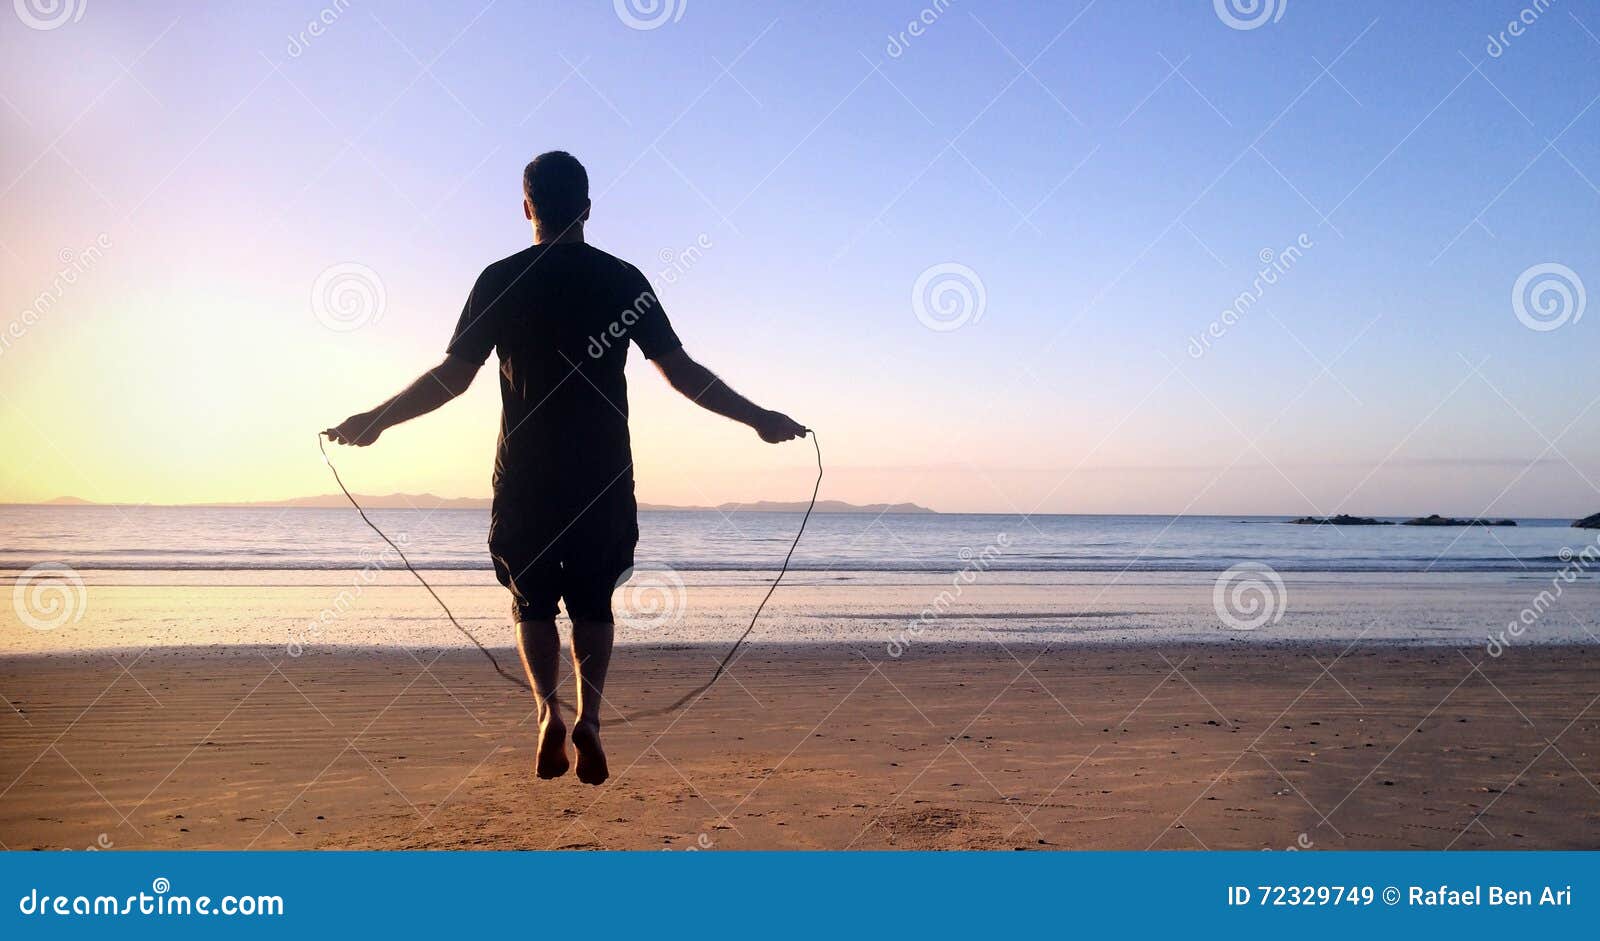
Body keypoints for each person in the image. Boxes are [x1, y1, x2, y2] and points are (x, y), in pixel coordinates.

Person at [326, 151, 805, 785]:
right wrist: (758, 417)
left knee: (531, 602)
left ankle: (547, 711)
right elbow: (682, 373)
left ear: (527, 208)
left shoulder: (500, 279)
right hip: (602, 471)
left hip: (525, 472)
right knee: (594, 602)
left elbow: (451, 379)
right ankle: (591, 720)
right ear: (586, 208)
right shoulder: (622, 279)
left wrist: (377, 419)